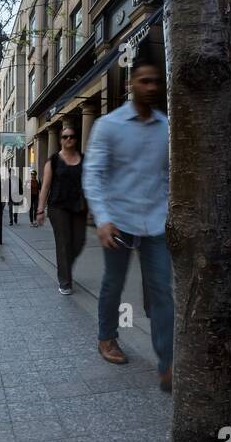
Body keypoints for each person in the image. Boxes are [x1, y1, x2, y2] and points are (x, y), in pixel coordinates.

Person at [85, 55, 175, 392]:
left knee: (162, 291)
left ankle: (166, 363)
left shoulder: (166, 126)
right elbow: (93, 174)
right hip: (119, 221)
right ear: (130, 84)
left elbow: (168, 174)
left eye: (155, 81)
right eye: (144, 81)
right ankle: (107, 337)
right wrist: (103, 218)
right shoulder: (108, 125)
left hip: (156, 222)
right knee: (113, 283)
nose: (151, 87)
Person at [33, 122, 89, 294]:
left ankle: (64, 265)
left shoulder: (84, 159)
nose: (69, 139)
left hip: (78, 206)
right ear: (60, 140)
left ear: (76, 139)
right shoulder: (54, 161)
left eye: (72, 136)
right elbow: (45, 187)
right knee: (64, 242)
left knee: (79, 242)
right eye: (65, 137)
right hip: (58, 206)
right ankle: (65, 281)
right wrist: (40, 210)